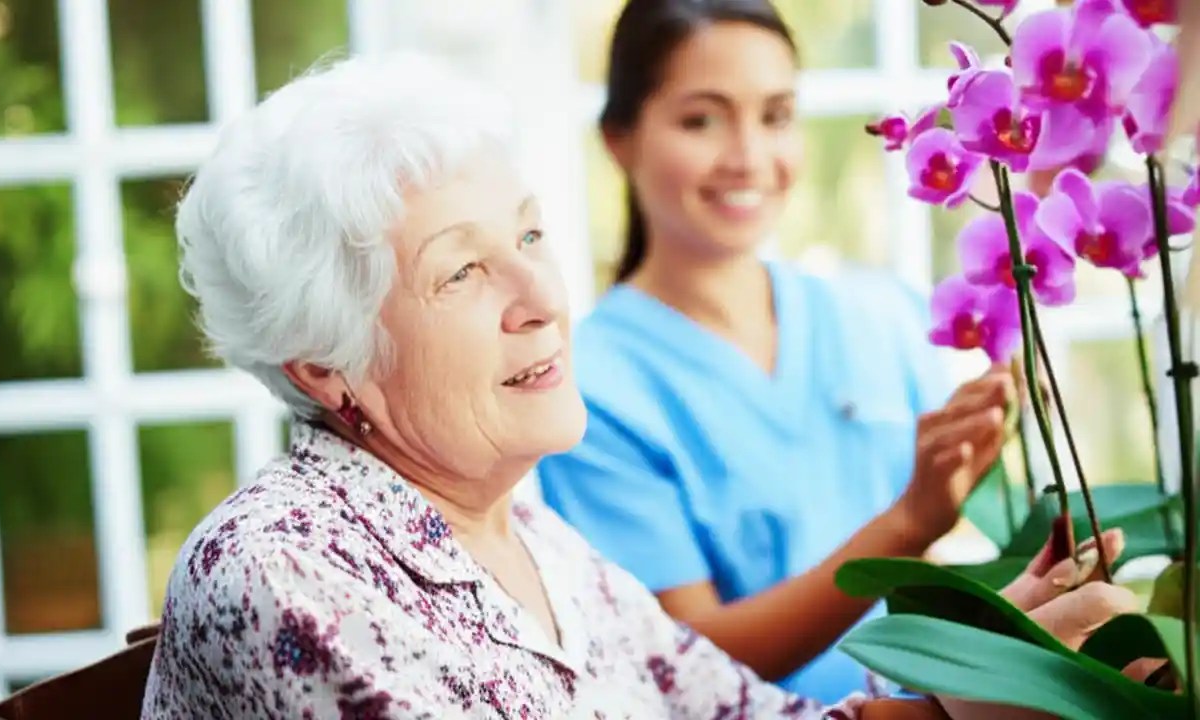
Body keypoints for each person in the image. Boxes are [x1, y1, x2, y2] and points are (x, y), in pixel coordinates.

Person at [139, 51, 1138, 719]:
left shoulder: (527, 540)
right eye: (462, 270)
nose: (542, 296)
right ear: (327, 362)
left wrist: (1003, 651)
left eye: (528, 236)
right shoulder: (283, 573)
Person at [534, 0, 1016, 703]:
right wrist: (905, 526)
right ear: (620, 138)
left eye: (776, 116)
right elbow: (683, 669)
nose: (748, 157)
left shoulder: (880, 317)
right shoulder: (591, 394)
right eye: (701, 119)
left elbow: (953, 572)